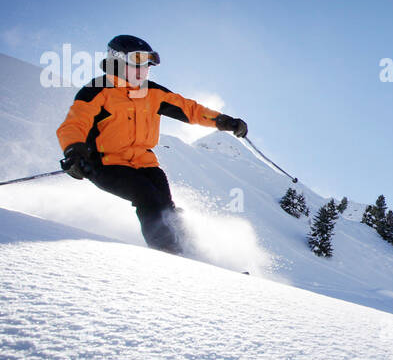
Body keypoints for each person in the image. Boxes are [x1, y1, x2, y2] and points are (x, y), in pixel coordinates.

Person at [56, 34, 249, 254]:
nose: (143, 71)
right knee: (146, 197)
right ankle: (166, 252)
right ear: (117, 61)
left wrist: (223, 121)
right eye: (137, 64)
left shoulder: (152, 92)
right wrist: (74, 151)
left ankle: (192, 253)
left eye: (147, 65)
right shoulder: (97, 91)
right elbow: (74, 124)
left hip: (144, 163)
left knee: (166, 207)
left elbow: (190, 110)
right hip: (104, 163)